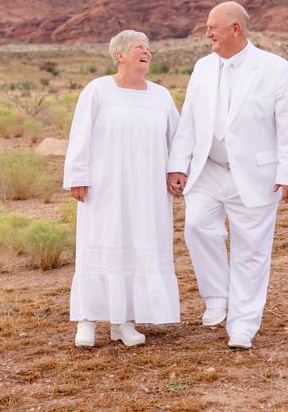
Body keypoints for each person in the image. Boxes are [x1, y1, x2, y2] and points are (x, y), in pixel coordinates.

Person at [166, 2, 288, 350]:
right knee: (196, 227)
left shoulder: (275, 68)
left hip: (257, 175)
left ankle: (243, 325)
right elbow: (190, 121)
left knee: (251, 250)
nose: (207, 33)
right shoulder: (202, 67)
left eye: (213, 27)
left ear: (235, 29)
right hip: (208, 169)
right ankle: (217, 295)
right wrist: (178, 165)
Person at [63, 29, 181, 348]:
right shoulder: (98, 90)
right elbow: (81, 134)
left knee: (139, 245)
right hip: (105, 187)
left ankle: (123, 322)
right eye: (140, 48)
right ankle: (87, 320)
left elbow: (178, 139)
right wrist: (77, 175)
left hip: (148, 190)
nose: (148, 52)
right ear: (120, 55)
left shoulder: (161, 95)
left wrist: (177, 170)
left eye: (149, 48)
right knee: (99, 242)